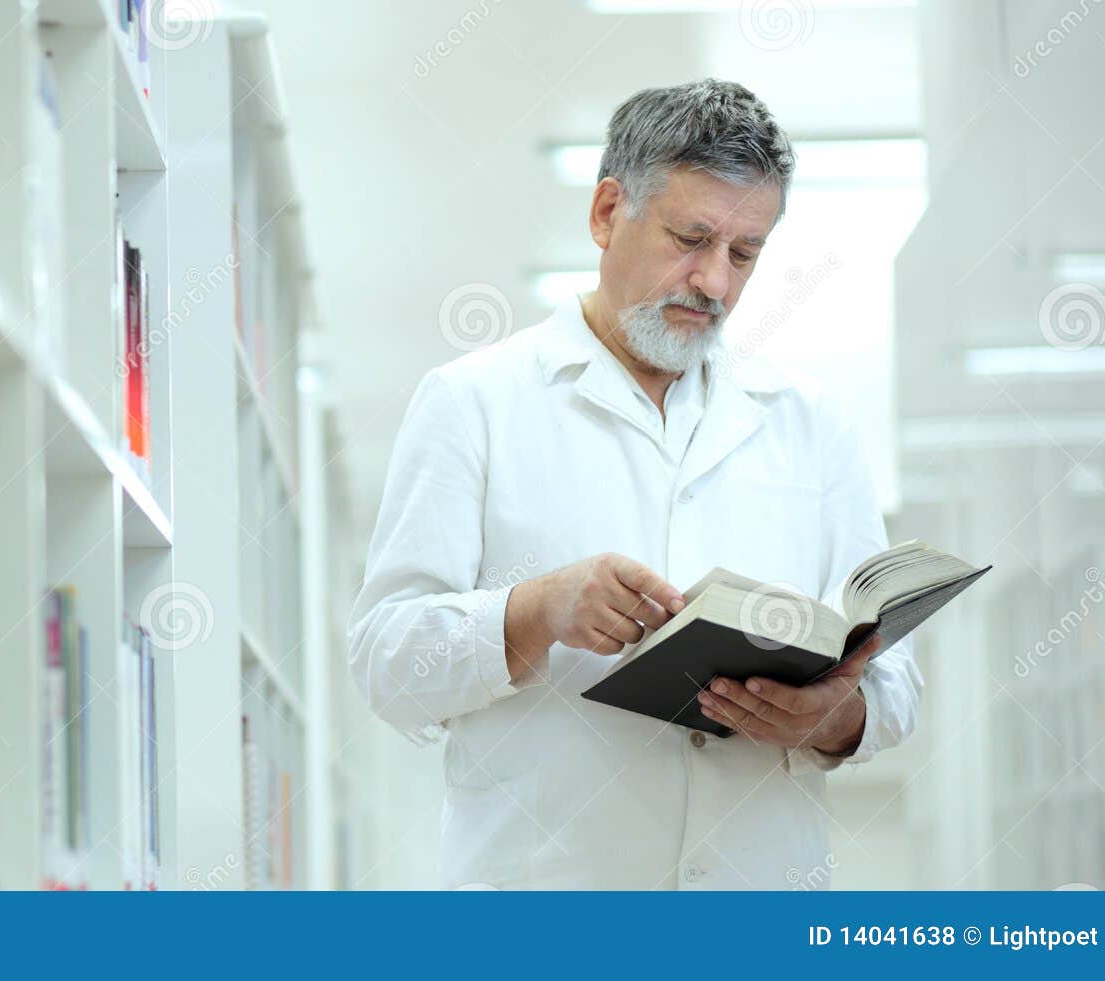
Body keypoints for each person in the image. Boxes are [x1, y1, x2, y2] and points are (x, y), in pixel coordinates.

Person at [347, 79, 921, 890]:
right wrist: (534, 609)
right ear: (607, 212)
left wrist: (835, 715)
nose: (715, 283)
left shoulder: (813, 425)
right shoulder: (473, 402)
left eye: (745, 253)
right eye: (691, 238)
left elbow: (894, 683)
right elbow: (384, 664)